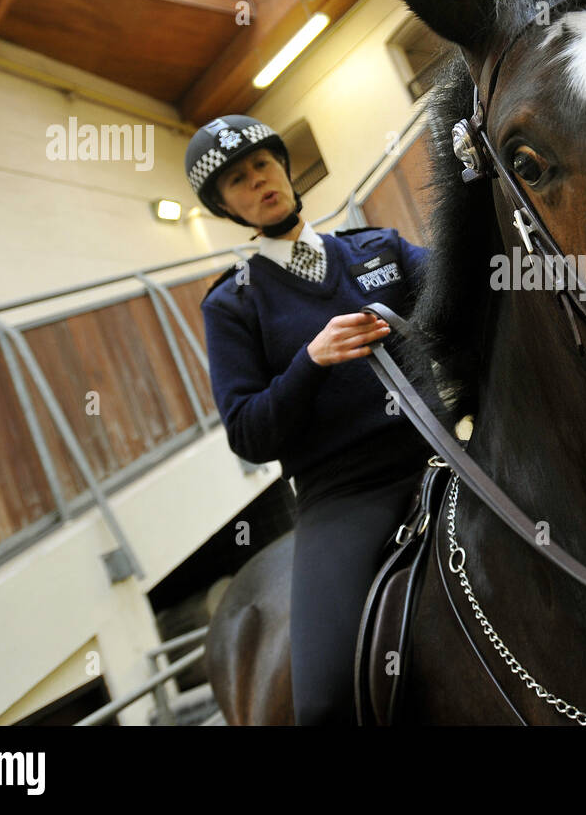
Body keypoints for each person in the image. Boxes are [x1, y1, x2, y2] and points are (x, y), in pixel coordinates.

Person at [186, 115, 432, 723]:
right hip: (346, 492)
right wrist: (310, 361)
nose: (259, 182)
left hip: (444, 451)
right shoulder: (232, 304)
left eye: (263, 164)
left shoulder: (381, 248)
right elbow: (247, 432)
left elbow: (461, 294)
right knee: (322, 703)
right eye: (239, 181)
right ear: (227, 207)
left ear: (284, 166)